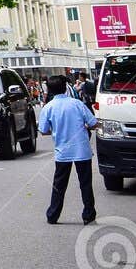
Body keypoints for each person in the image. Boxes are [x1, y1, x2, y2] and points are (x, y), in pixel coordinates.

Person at [38, 74, 98, 225]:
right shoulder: (77, 104)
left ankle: (53, 215)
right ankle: (88, 215)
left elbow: (43, 131)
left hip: (62, 152)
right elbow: (93, 123)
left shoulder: (48, 107)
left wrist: (56, 129)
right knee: (85, 184)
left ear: (50, 90)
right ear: (65, 88)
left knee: (59, 185)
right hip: (82, 151)